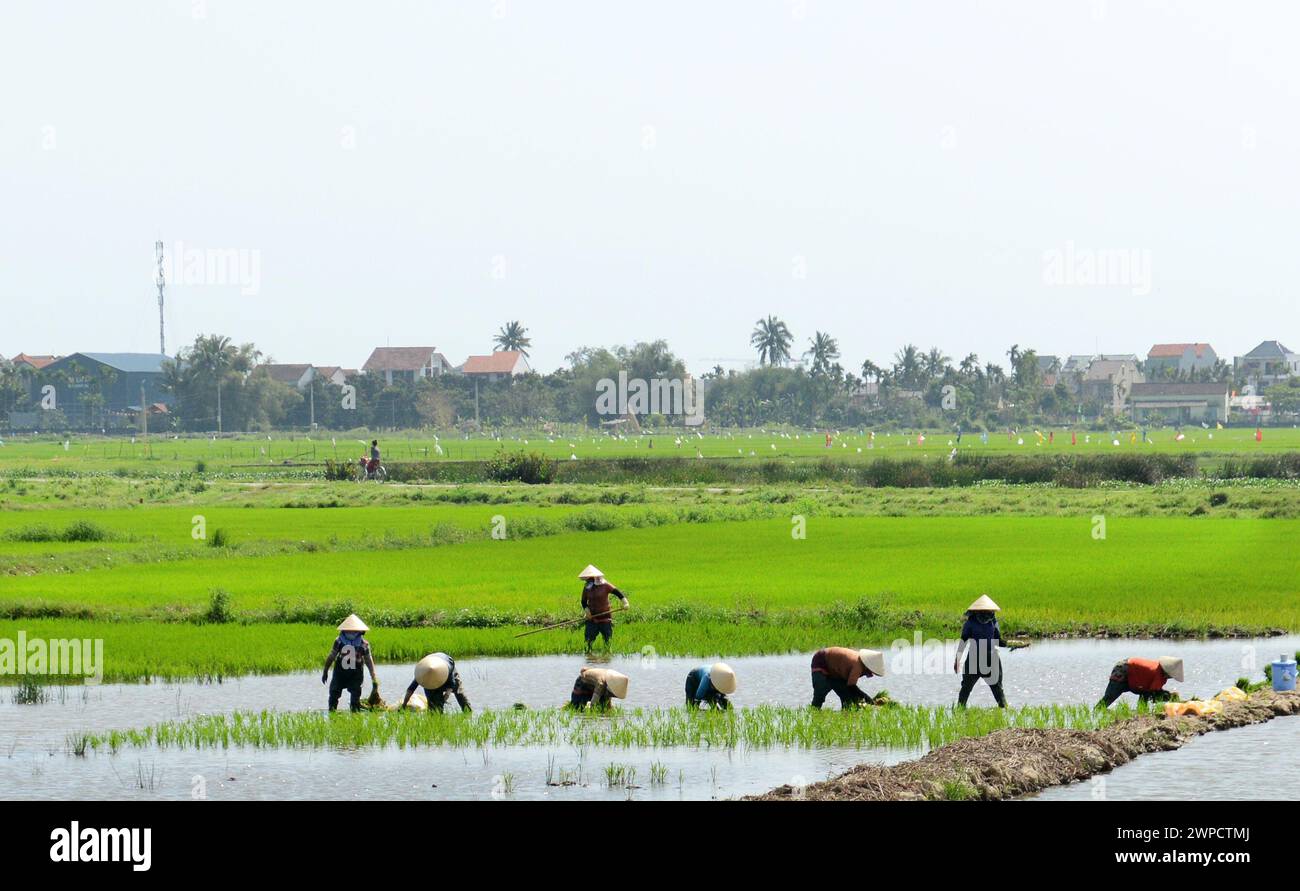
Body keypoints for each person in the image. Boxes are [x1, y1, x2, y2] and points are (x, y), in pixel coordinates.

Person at [953, 595, 1026, 708]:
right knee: (968, 688)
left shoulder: (990, 622)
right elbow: (964, 641)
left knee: (996, 689)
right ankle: (961, 710)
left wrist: (1014, 644)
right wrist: (957, 660)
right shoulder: (973, 623)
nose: (986, 613)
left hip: (986, 658)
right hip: (980, 659)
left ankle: (1003, 710)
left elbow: (998, 641)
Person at [321, 614, 378, 712]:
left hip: (356, 674)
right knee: (334, 693)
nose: (351, 632)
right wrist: (325, 671)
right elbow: (332, 656)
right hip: (340, 673)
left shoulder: (364, 644)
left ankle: (354, 713)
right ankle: (332, 712)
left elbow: (369, 660)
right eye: (349, 630)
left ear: (360, 631)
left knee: (355, 696)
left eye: (354, 631)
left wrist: (374, 677)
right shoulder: (339, 641)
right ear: (344, 630)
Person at [809, 647, 886, 709]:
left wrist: (863, 700)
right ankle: (813, 712)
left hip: (837, 671)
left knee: (847, 698)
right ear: (868, 666)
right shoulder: (858, 665)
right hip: (821, 661)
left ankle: (845, 716)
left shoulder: (860, 662)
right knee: (820, 694)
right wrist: (869, 700)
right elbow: (851, 686)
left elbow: (850, 688)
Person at [578, 564, 629, 652]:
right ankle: (589, 657)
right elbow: (583, 602)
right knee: (588, 642)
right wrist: (587, 612)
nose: (587, 581)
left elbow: (619, 594)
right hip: (592, 619)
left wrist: (625, 603)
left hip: (605, 618)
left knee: (607, 641)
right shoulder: (587, 588)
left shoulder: (605, 585)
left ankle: (607, 657)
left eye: (590, 579)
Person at [1098, 656, 1184, 707]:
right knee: (1109, 697)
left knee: (1147, 693)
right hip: (1124, 669)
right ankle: (1096, 712)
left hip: (1132, 673)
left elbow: (1147, 692)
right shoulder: (1158, 674)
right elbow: (1148, 695)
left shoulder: (1161, 675)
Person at [401, 652, 471, 713]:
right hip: (430, 664)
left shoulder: (447, 669)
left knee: (460, 694)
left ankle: (468, 713)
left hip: (445, 668)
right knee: (434, 708)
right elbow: (410, 690)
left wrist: (445, 698)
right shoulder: (422, 674)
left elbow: (451, 685)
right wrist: (404, 705)